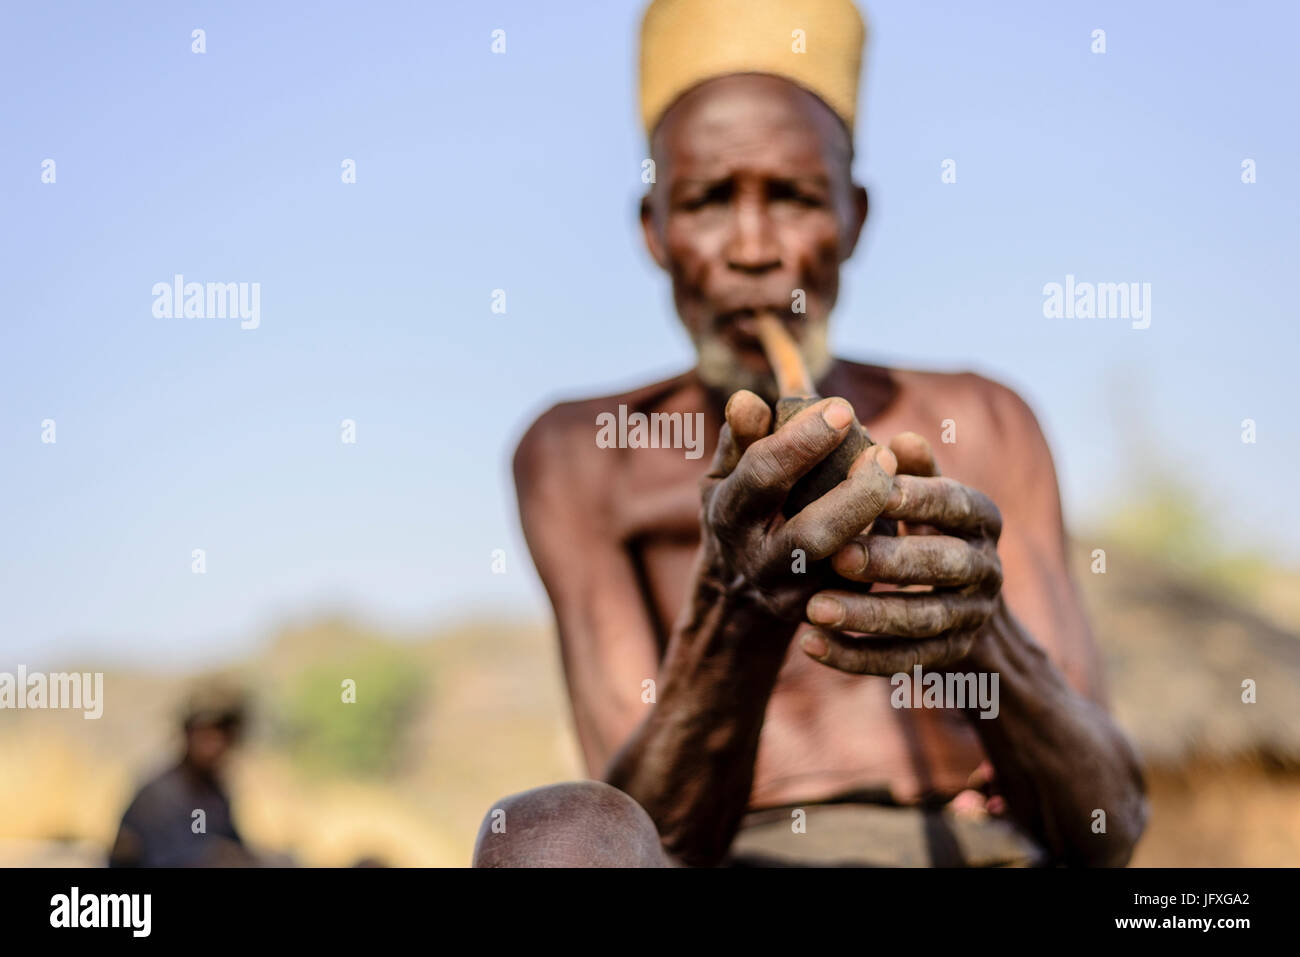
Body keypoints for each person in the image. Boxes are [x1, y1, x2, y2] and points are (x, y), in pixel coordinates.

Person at [474, 0, 1147, 867]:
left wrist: (976, 630)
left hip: (981, 851)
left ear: (854, 218)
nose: (755, 250)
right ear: (656, 231)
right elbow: (643, 834)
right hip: (730, 856)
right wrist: (739, 607)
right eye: (710, 201)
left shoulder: (982, 419)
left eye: (793, 198)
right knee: (548, 838)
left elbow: (1110, 823)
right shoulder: (579, 455)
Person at [109, 683, 256, 867]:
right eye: (206, 733)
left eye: (223, 733)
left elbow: (234, 848)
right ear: (188, 733)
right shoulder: (157, 797)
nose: (215, 744)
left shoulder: (214, 793)